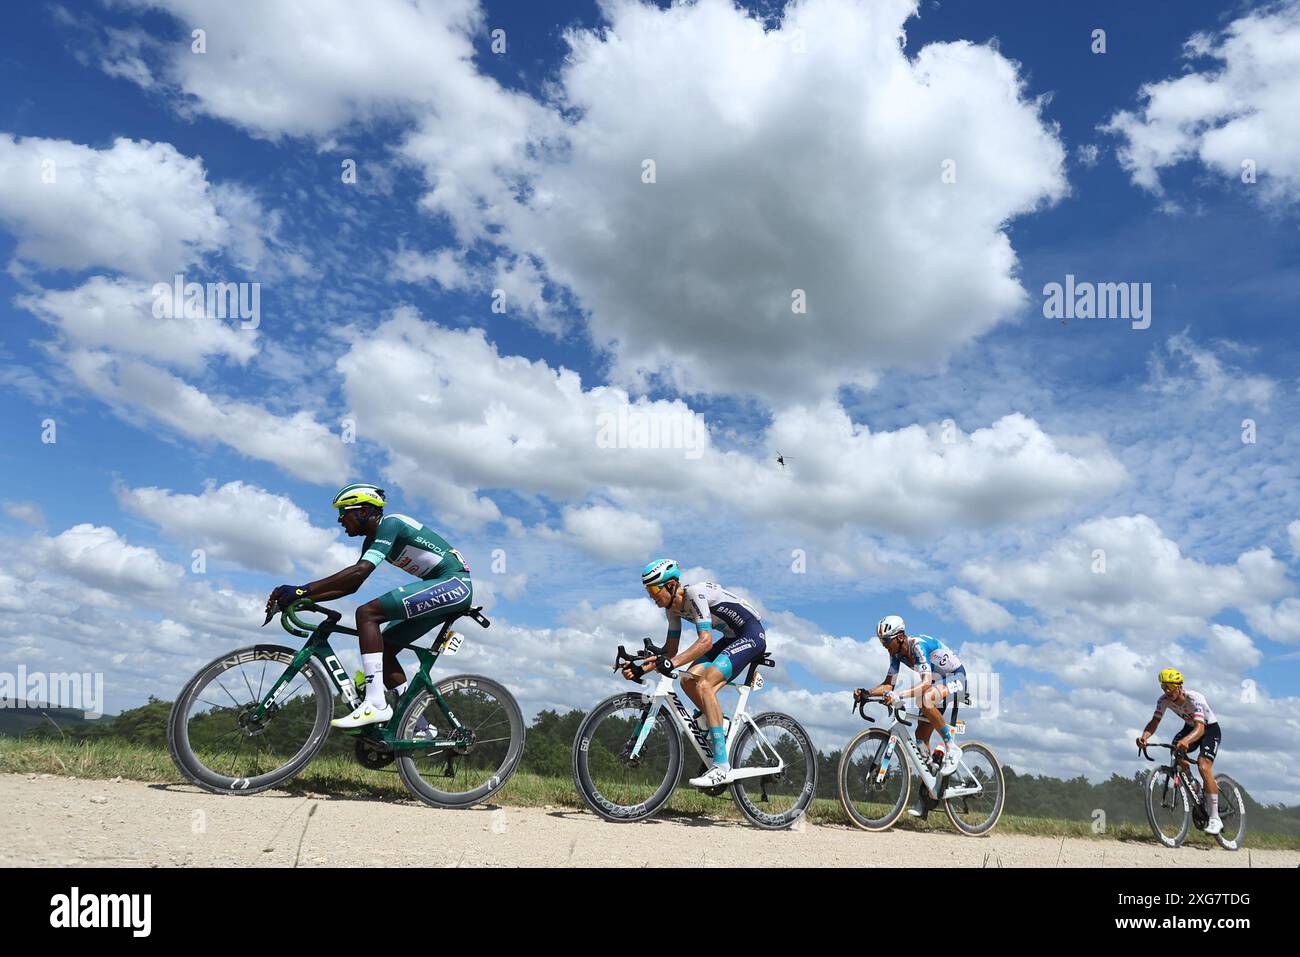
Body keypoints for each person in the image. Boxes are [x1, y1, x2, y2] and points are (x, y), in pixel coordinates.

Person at [264, 483, 473, 730]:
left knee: (367, 614)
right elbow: (350, 586)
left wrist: (302, 589)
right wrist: (302, 599)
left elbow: (361, 570)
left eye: (344, 512)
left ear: (363, 510)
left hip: (454, 584)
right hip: (445, 588)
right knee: (383, 651)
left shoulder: (390, 524)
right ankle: (421, 727)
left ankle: (375, 703)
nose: (341, 520)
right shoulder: (373, 540)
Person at [627, 559, 768, 788]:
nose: (652, 596)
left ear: (672, 585)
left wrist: (670, 663)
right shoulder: (672, 609)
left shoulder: (695, 595)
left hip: (750, 634)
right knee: (689, 680)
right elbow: (670, 653)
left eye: (654, 589)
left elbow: (704, 642)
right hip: (731, 638)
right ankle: (720, 724)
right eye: (648, 590)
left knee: (705, 685)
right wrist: (640, 667)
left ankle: (721, 767)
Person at [861, 615, 966, 818]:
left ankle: (951, 748)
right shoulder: (897, 655)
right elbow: (888, 685)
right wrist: (867, 692)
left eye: (886, 641)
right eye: (882, 642)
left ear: (899, 636)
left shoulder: (917, 647)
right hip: (938, 684)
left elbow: (926, 683)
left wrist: (899, 695)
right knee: (920, 741)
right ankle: (929, 795)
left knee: (925, 700)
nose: (884, 646)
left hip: (956, 677)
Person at [1136, 668, 1223, 835]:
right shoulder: (1163, 701)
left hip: (1208, 729)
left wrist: (1186, 740)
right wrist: (1144, 737)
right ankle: (1192, 783)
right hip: (1190, 727)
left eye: (1169, 687)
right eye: (1163, 687)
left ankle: (1215, 818)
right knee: (1175, 750)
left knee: (1203, 766)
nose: (1166, 691)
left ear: (1179, 686)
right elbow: (1155, 721)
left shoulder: (1195, 699)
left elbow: (1200, 728)